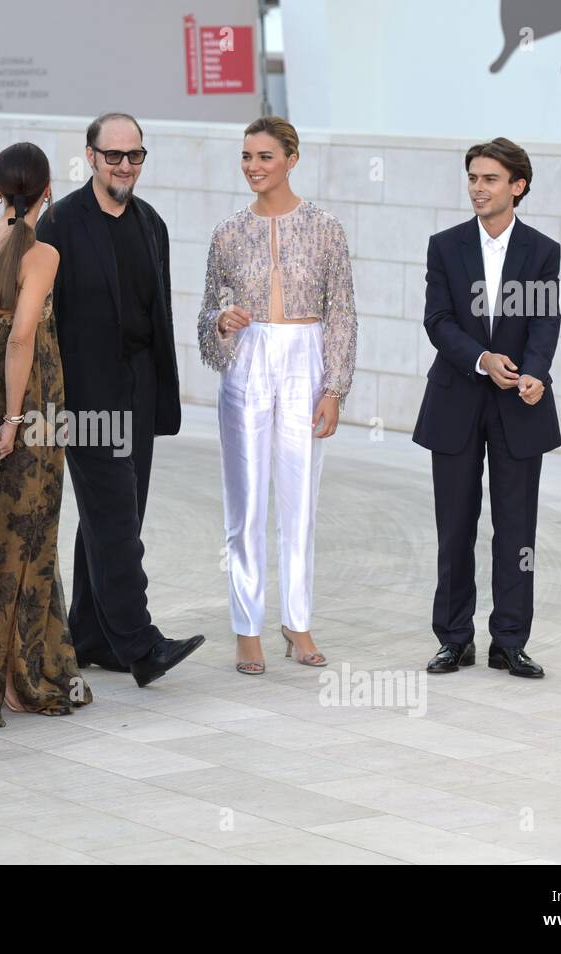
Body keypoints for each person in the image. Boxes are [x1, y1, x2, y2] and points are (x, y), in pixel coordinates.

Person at [36, 112, 204, 688]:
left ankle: (92, 635)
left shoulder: (151, 223)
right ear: (90, 156)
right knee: (116, 520)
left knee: (112, 517)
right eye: (114, 156)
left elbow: (160, 314)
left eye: (135, 156)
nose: (125, 166)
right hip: (86, 397)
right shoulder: (59, 223)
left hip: (139, 387)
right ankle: (139, 643)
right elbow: (39, 318)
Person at [0, 142, 92, 727]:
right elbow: (22, 338)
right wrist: (13, 418)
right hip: (29, 408)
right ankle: (15, 677)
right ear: (47, 191)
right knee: (27, 535)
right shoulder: (42, 254)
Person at [197, 117, 357, 675]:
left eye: (264, 156)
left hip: (305, 360)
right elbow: (206, 313)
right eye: (246, 156)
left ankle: (297, 621)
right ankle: (247, 627)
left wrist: (334, 386)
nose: (253, 167)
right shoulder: (226, 232)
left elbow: (342, 313)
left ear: (292, 158)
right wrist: (222, 322)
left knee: (299, 503)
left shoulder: (325, 228)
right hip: (246, 362)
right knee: (244, 505)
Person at [412, 137, 561, 679]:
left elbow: (546, 320)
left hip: (521, 405)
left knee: (517, 530)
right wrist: (480, 358)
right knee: (454, 527)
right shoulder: (445, 246)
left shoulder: (542, 249)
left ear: (516, 186)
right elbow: (438, 320)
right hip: (456, 400)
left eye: (489, 179)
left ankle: (510, 642)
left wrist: (536, 375)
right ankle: (454, 639)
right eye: (473, 177)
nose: (478, 187)